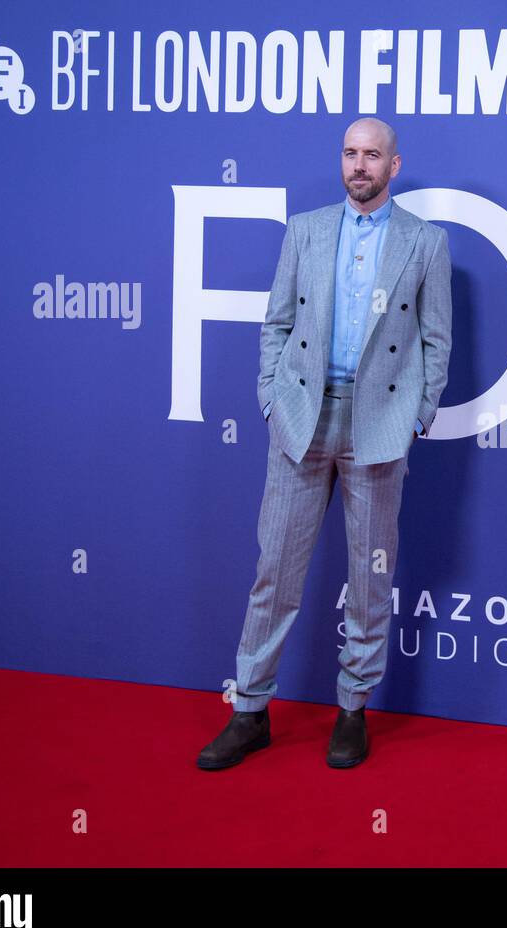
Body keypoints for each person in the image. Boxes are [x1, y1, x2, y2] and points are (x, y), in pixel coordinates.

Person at [198, 117, 452, 771]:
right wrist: (270, 398)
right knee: (274, 573)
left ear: (394, 166)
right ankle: (250, 710)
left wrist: (416, 417)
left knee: (370, 578)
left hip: (378, 427)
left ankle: (352, 710)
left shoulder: (425, 242)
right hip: (302, 419)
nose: (359, 165)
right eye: (350, 153)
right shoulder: (305, 230)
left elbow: (436, 340)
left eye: (372, 155)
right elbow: (277, 321)